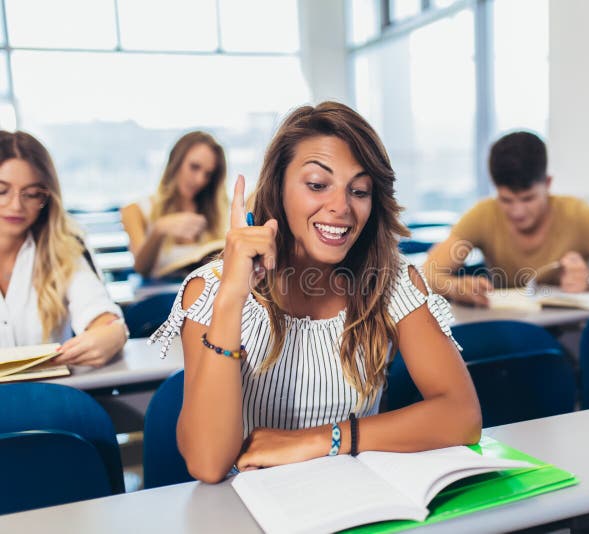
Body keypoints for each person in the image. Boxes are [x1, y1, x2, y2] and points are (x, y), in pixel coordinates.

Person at [151, 102, 481, 483]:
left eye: (359, 190)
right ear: (278, 186)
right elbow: (208, 464)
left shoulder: (391, 282)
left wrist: (319, 440)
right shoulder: (209, 290)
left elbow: (462, 415)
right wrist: (231, 296)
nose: (341, 207)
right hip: (247, 503)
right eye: (317, 185)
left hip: (357, 497)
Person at [423, 131, 589, 307]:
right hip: (508, 327)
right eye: (506, 200)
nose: (518, 212)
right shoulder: (484, 214)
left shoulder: (578, 215)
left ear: (548, 183)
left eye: (528, 199)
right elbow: (427, 274)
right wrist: (454, 287)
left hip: (571, 329)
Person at [0, 131, 127, 365]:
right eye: (1, 191)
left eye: (32, 194)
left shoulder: (63, 249)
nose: (16, 205)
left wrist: (112, 333)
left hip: (49, 388)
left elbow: (101, 316)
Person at [121, 131, 228, 278]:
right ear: (175, 162)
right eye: (194, 167)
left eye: (208, 174)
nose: (200, 180)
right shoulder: (135, 210)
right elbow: (141, 268)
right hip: (157, 292)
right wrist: (159, 230)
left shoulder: (215, 212)